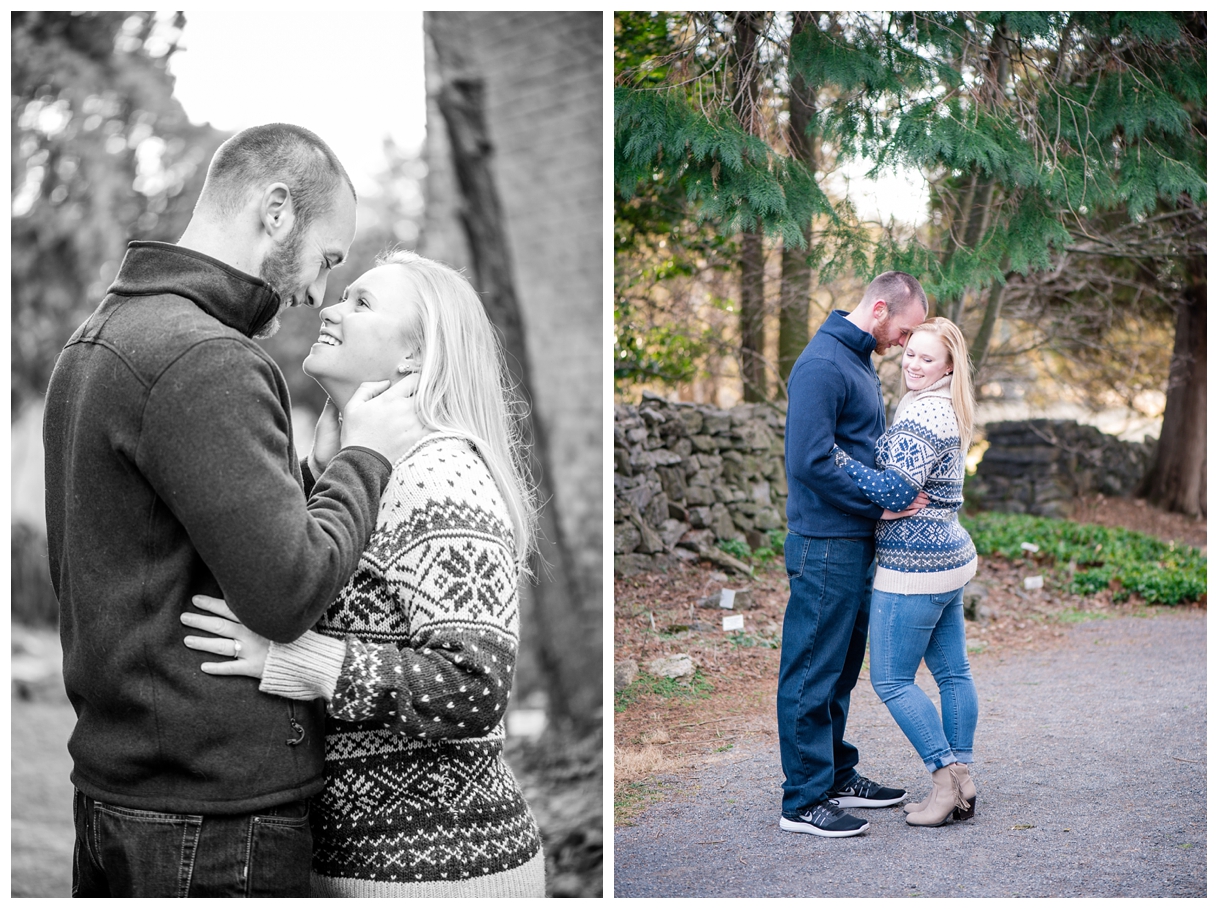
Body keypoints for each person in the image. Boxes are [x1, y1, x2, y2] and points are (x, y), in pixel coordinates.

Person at [42, 124, 425, 897]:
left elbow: (178, 549)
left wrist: (312, 471)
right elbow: (285, 592)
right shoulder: (206, 357)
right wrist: (366, 456)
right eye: (326, 260)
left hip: (123, 798)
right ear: (276, 210)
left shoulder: (95, 342)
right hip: (211, 821)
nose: (317, 294)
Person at [180, 250, 547, 897]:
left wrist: (292, 656)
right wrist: (321, 472)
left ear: (413, 355)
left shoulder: (437, 473)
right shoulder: (359, 468)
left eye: (362, 303)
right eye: (342, 295)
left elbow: (476, 683)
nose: (331, 308)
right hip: (355, 858)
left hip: (442, 868)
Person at [777, 271, 931, 838]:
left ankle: (836, 772)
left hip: (853, 540)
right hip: (823, 543)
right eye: (905, 330)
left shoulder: (857, 359)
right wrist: (879, 505)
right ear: (881, 307)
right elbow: (810, 461)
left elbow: (854, 448)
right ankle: (803, 800)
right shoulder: (822, 364)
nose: (905, 344)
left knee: (841, 668)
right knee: (811, 668)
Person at [833, 317, 979, 827]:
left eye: (927, 358)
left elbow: (896, 492)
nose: (913, 365)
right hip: (948, 558)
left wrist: (838, 458)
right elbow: (901, 489)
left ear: (949, 366)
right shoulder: (946, 407)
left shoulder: (923, 417)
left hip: (913, 568)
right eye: (910, 353)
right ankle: (963, 778)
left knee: (892, 680)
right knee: (953, 673)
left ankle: (943, 781)